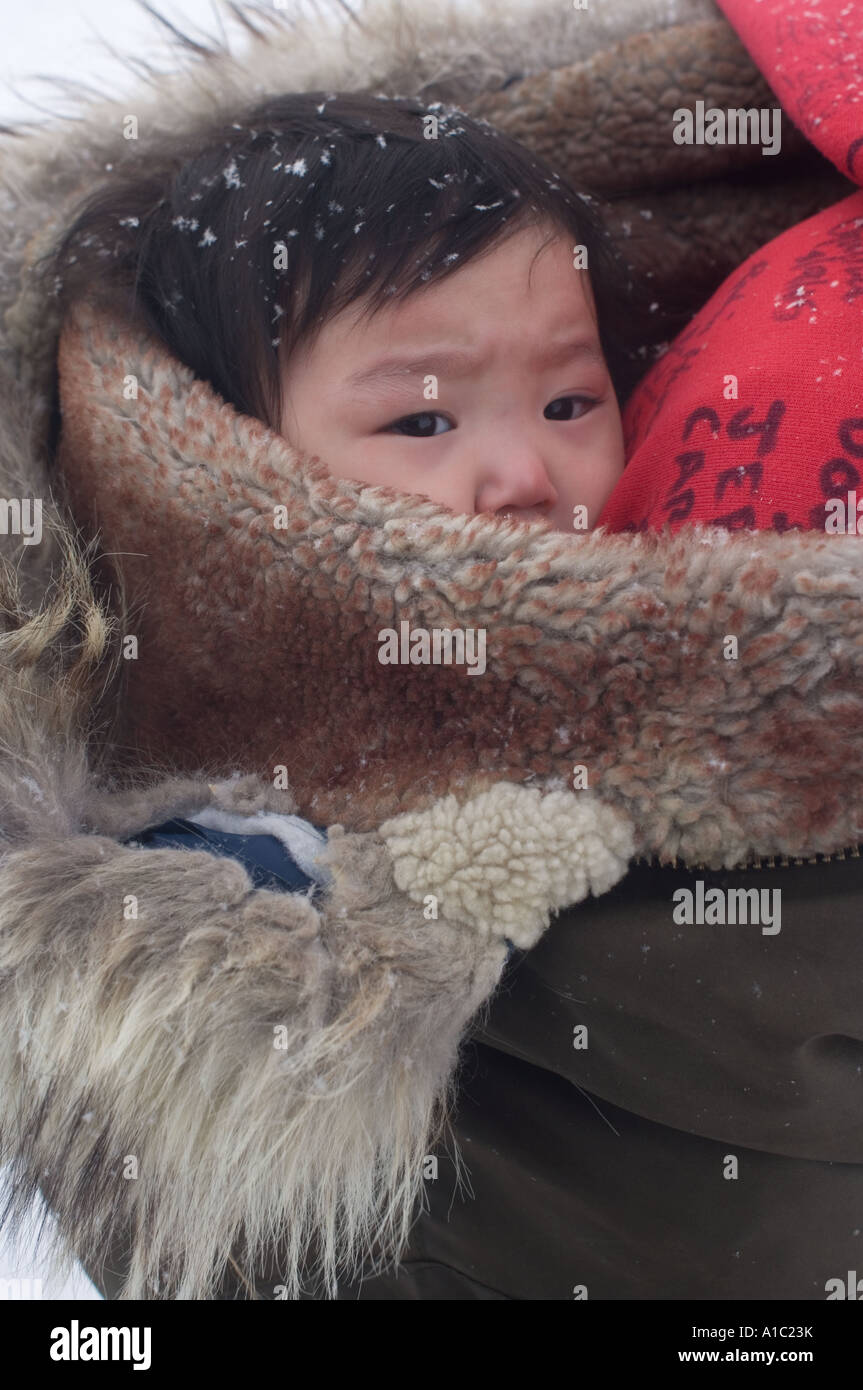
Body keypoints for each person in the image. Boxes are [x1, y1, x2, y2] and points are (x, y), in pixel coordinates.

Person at [1, 0, 861, 1305]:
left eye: (573, 400)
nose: (524, 470)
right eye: (420, 418)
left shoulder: (698, 597)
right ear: (238, 459)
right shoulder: (216, 800)